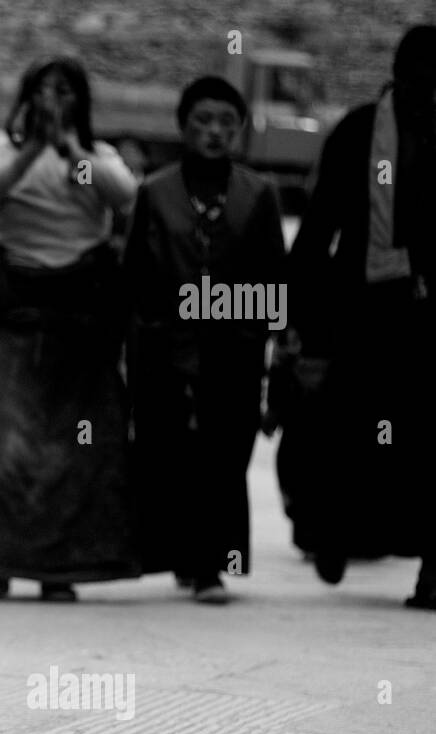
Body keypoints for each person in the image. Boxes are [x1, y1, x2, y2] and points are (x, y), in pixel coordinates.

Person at [0, 58, 140, 601]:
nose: (53, 99)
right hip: (14, 310)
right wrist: (35, 150)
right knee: (3, 445)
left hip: (79, 314)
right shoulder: (6, 155)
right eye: (44, 89)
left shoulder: (96, 157)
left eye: (64, 90)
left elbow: (124, 196)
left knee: (72, 448)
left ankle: (57, 568)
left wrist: (70, 150)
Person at [272, 25, 436, 609]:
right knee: (350, 434)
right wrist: (292, 313)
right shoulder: (361, 131)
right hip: (363, 313)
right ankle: (334, 533)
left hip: (426, 320)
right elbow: (319, 228)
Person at [123, 76, 286, 604]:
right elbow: (138, 275)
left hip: (234, 346)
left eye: (226, 123)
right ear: (183, 127)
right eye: (203, 121)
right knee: (173, 451)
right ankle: (192, 560)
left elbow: (271, 277)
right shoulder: (155, 191)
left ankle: (213, 560)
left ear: (239, 130)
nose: (215, 132)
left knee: (225, 450)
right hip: (166, 344)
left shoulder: (259, 194)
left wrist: (272, 340)